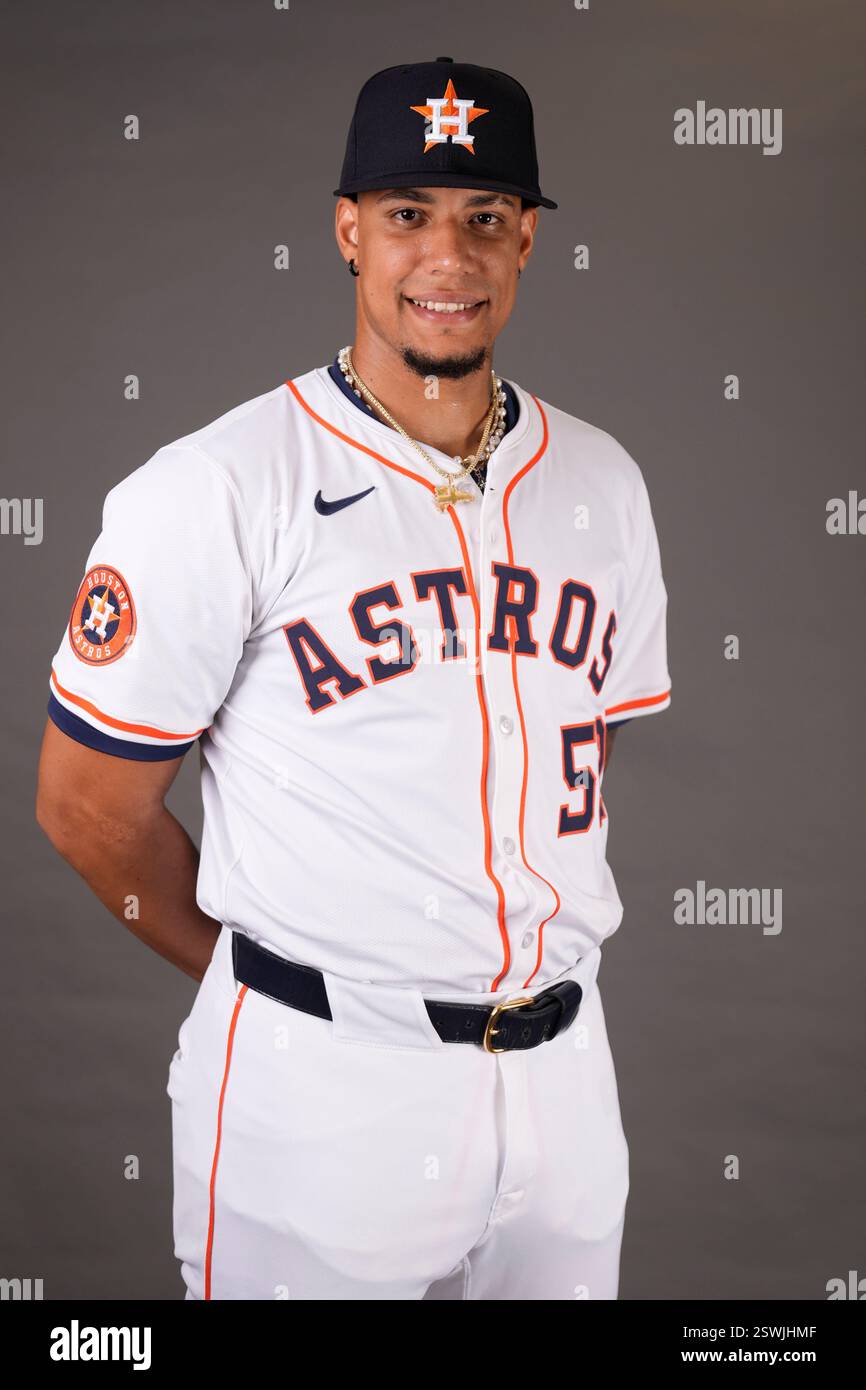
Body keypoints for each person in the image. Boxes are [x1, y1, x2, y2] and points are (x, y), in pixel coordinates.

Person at [36, 57, 672, 1300]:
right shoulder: (219, 487)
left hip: (563, 1081)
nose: (449, 254)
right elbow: (83, 807)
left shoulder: (602, 482)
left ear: (528, 240)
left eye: (486, 216)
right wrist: (273, 983)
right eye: (406, 215)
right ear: (346, 232)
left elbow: (568, 751)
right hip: (318, 1089)